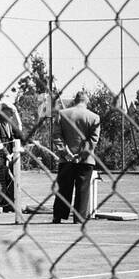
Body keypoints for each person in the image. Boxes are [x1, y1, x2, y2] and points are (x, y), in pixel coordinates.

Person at [53, 91, 100, 225]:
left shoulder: (62, 114)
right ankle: (79, 218)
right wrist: (81, 154)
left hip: (66, 159)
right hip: (85, 160)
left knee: (63, 188)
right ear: (87, 101)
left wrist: (66, 152)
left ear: (75, 100)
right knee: (82, 189)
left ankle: (59, 216)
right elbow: (93, 140)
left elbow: (57, 135)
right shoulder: (94, 117)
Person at [0, 91, 22, 216]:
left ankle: (8, 204)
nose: (11, 114)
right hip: (0, 156)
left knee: (9, 181)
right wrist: (7, 153)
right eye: (9, 111)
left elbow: (18, 133)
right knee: (0, 181)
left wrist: (16, 113)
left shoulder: (8, 124)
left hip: (8, 156)